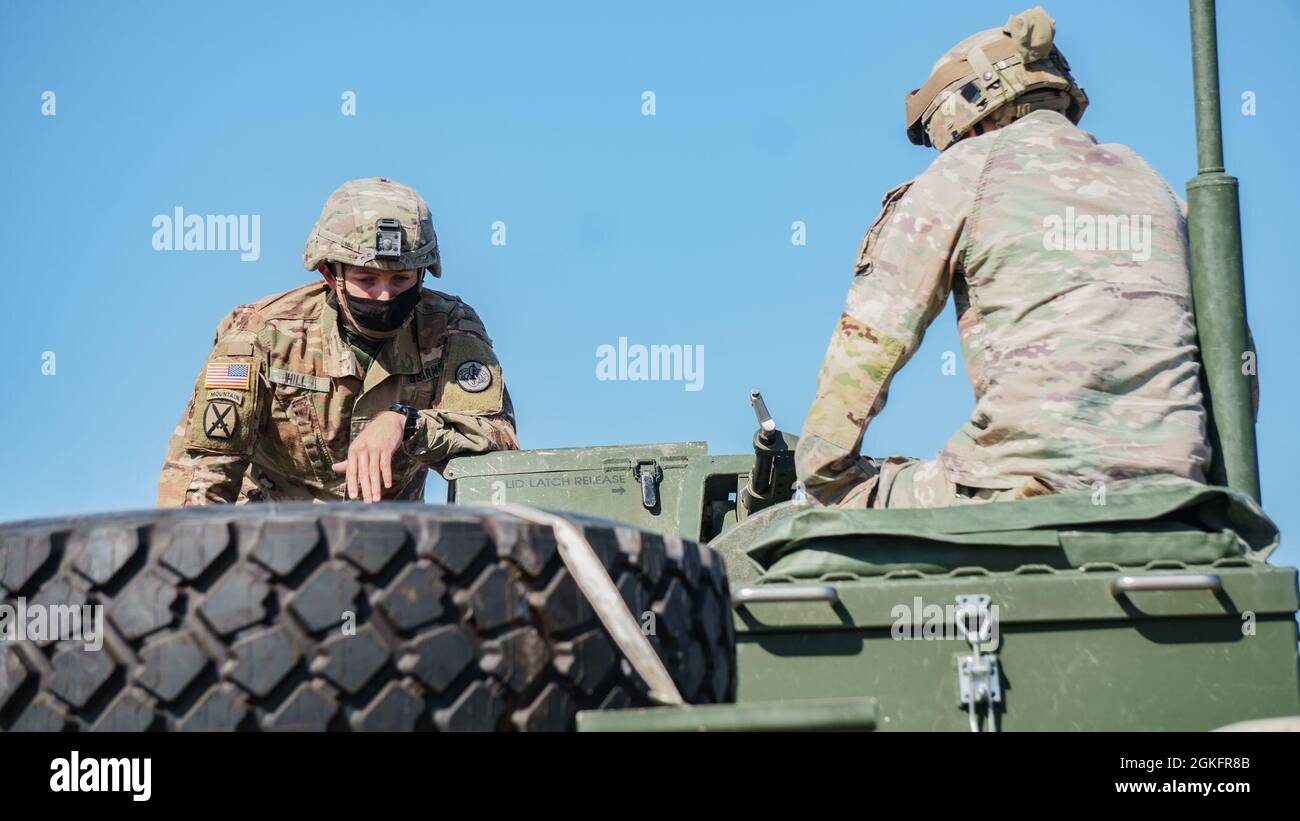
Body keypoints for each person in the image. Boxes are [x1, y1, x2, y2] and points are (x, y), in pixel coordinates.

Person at [795, 6, 1222, 510]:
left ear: (967, 115)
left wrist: (823, 474)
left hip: (1020, 488)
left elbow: (870, 340)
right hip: (1175, 491)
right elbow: (1233, 370)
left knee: (821, 508)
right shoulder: (1157, 186)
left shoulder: (967, 168)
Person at [157, 177, 519, 505]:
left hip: (393, 547)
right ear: (331, 273)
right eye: (367, 279)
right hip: (266, 546)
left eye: (401, 280)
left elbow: (497, 440)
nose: (383, 296)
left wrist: (407, 425)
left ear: (422, 275)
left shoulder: (450, 328)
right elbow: (201, 479)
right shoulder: (260, 337)